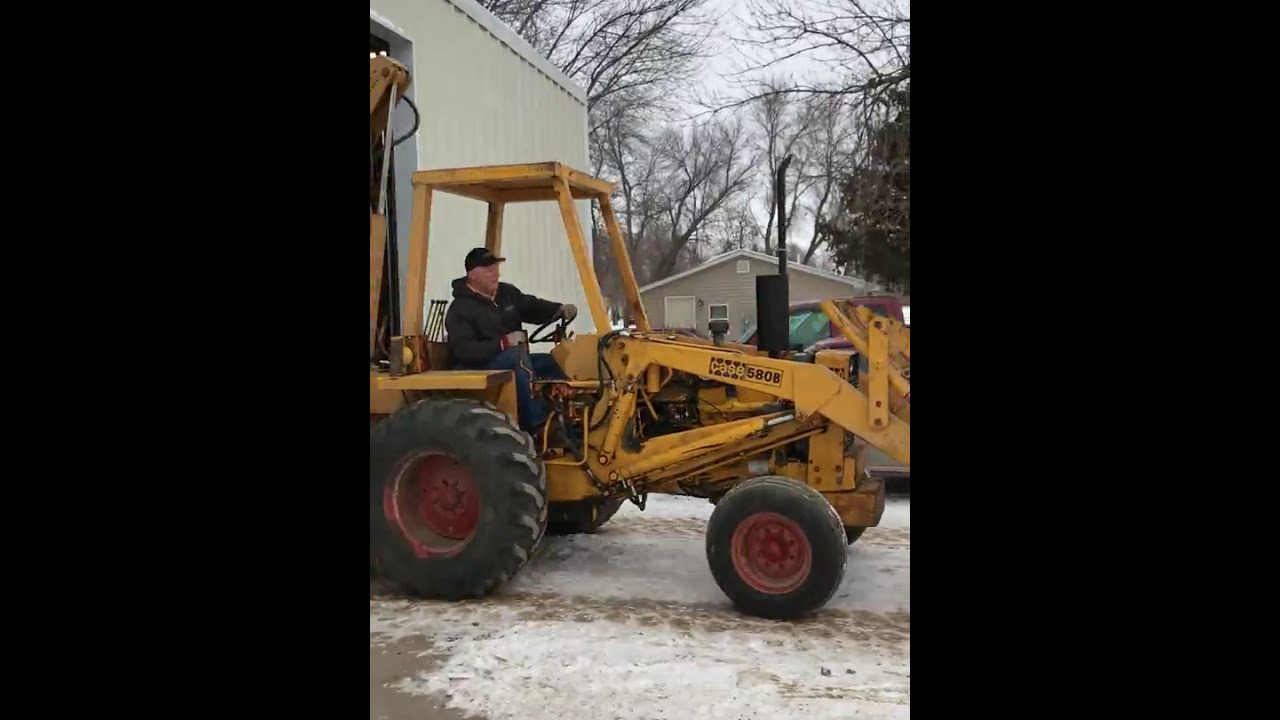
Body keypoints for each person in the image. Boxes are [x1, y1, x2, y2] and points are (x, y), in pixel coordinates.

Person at [444, 247, 577, 434]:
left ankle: (569, 409)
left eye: (496, 268)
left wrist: (558, 310)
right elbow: (464, 350)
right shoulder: (460, 309)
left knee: (549, 361)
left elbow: (530, 305)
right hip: (477, 365)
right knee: (518, 358)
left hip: (511, 357)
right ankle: (537, 425)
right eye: (489, 269)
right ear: (472, 275)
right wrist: (503, 343)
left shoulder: (506, 294)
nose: (495, 274)